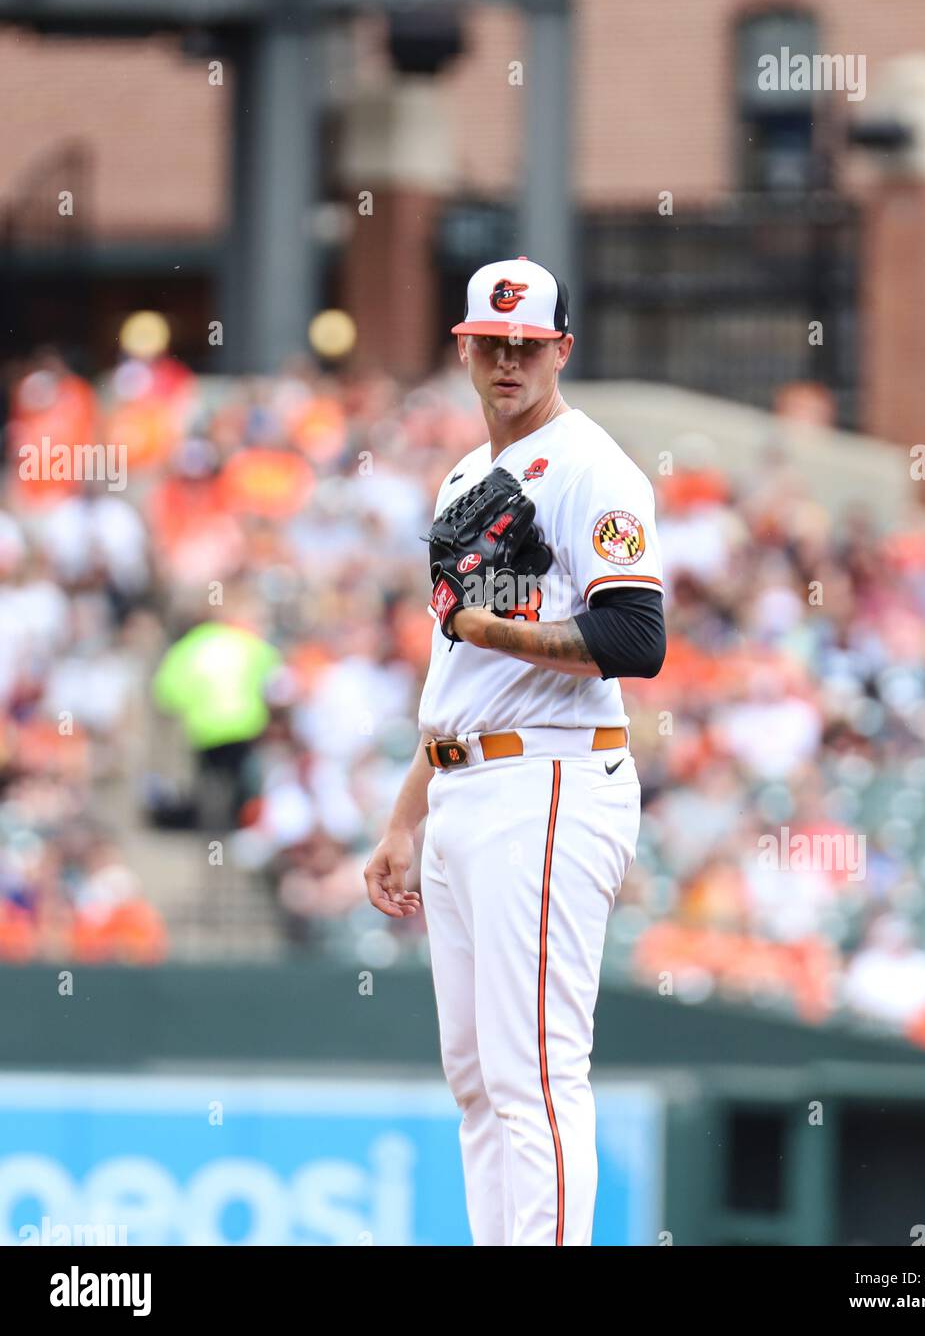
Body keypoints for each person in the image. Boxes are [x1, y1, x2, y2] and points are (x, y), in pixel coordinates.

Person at [363, 257, 666, 1246]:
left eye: (526, 344)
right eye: (489, 342)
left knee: (534, 1069)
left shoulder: (592, 467)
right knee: (480, 1079)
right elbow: (460, 675)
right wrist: (406, 813)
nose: (506, 359)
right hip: (463, 783)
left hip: (548, 778)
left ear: (560, 350)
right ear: (462, 346)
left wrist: (504, 631)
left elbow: (634, 640)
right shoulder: (465, 476)